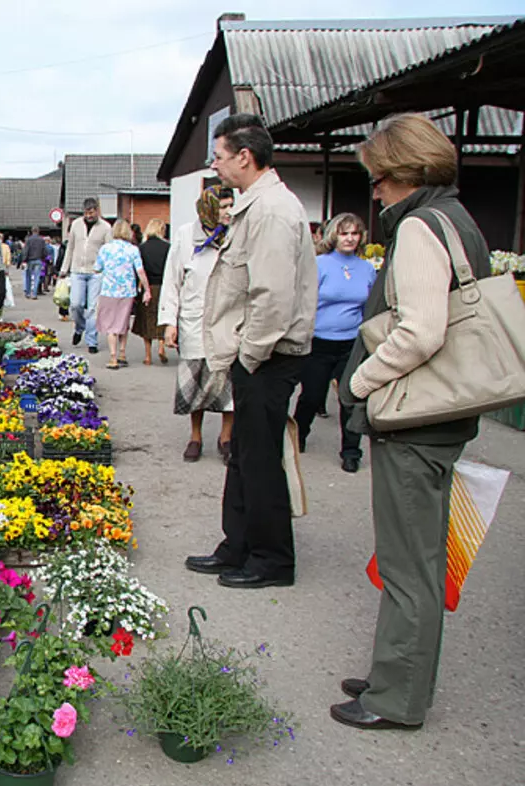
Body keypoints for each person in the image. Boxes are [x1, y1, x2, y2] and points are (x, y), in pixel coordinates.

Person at [330, 113, 492, 732]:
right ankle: (395, 672)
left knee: (410, 564)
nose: (373, 191)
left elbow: (419, 331)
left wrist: (361, 382)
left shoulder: (422, 228)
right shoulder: (458, 219)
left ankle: (396, 698)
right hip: (441, 417)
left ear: (405, 173)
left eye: (378, 178)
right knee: (414, 557)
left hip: (416, 418)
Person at [184, 113, 317, 590]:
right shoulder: (254, 205)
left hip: (268, 355)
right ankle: (237, 545)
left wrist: (249, 355)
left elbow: (273, 297)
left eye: (218, 157)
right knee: (243, 456)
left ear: (245, 156)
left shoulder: (273, 211)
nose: (215, 166)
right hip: (257, 354)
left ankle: (271, 559)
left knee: (259, 461)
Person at [292, 213, 377, 473]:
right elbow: (303, 300)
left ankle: (351, 451)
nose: (350, 238)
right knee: (312, 395)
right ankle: (298, 435)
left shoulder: (367, 269)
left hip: (351, 344)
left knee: (349, 399)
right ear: (334, 236)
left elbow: (370, 307)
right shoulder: (320, 264)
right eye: (344, 233)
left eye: (354, 233)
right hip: (319, 342)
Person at [159, 187, 236, 463]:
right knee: (195, 381)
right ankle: (196, 436)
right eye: (223, 206)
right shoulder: (185, 237)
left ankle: (226, 437)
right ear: (208, 209)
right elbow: (172, 280)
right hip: (194, 318)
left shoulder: (237, 234)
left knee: (228, 383)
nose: (228, 212)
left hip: (228, 321)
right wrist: (169, 322)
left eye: (230, 205)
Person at [60, 198, 113, 354]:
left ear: (97, 211)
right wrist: (64, 268)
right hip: (77, 270)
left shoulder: (105, 227)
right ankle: (79, 327)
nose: (88, 216)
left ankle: (92, 340)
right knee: (75, 304)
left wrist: (106, 271)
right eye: (86, 213)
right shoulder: (76, 224)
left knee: (92, 308)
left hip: (95, 273)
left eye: (91, 212)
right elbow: (70, 248)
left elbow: (108, 251)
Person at [95, 219, 150, 369]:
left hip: (109, 290)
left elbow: (97, 267)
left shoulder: (105, 249)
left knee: (111, 325)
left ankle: (113, 357)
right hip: (127, 291)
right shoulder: (133, 249)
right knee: (123, 322)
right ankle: (122, 353)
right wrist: (147, 289)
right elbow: (140, 271)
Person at [134, 218, 171, 365]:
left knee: (146, 322)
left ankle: (148, 356)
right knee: (162, 318)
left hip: (147, 288)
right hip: (163, 286)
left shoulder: (142, 248)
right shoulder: (168, 247)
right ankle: (161, 347)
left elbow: (138, 269)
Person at [22, 225, 48, 300]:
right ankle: (34, 294)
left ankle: (28, 293)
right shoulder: (42, 240)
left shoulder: (28, 240)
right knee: (37, 277)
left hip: (30, 260)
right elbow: (45, 251)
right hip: (39, 260)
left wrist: (24, 260)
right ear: (38, 231)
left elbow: (25, 250)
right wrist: (43, 258)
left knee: (28, 277)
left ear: (32, 231)